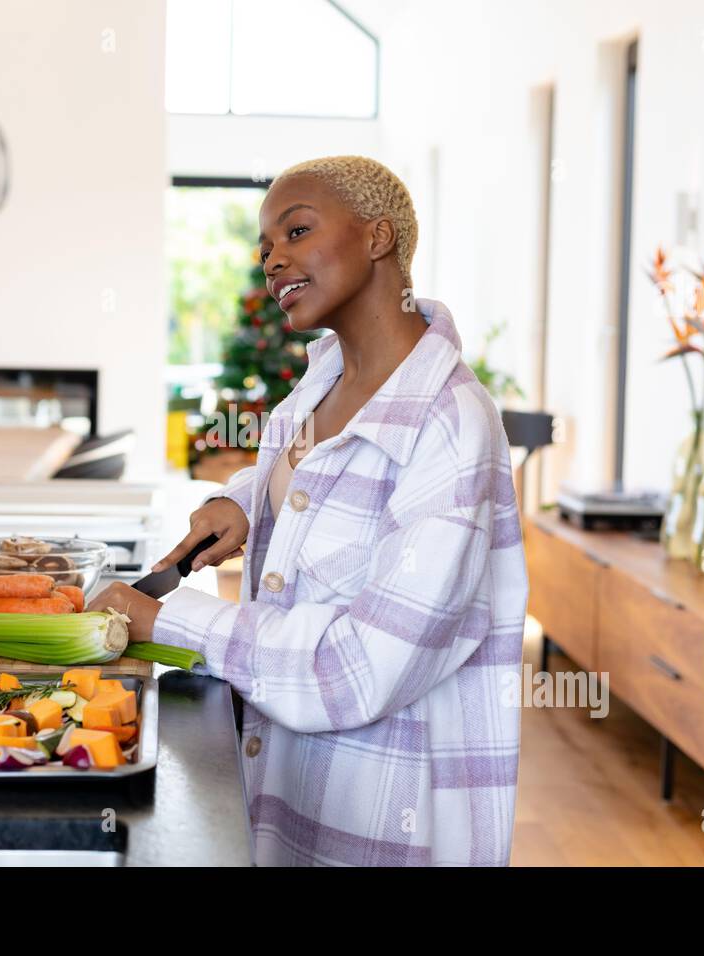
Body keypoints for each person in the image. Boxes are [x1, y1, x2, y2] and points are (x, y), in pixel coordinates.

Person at [87, 154, 528, 866]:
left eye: (295, 231)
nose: (272, 261)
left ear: (378, 236)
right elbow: (324, 489)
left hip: (378, 818)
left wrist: (171, 619)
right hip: (284, 786)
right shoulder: (328, 373)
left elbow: (357, 670)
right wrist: (244, 504)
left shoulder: (451, 428)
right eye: (264, 248)